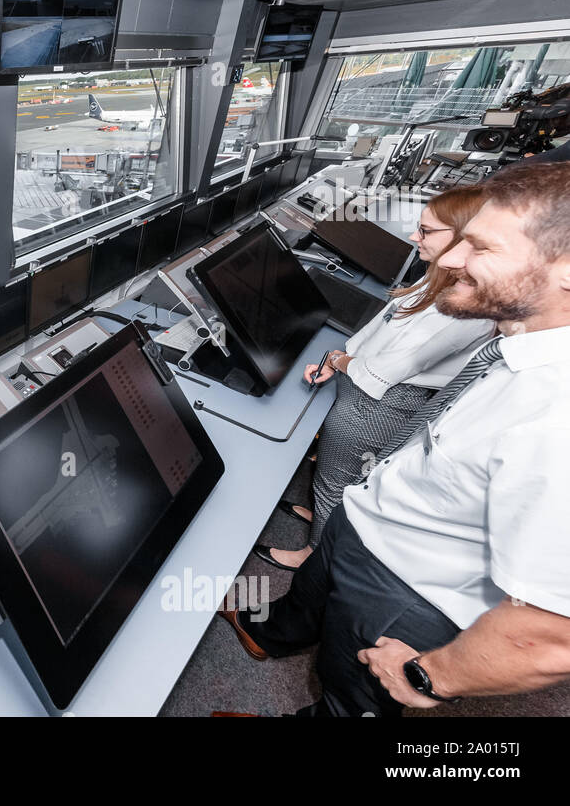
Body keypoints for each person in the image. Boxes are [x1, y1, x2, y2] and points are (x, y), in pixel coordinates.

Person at [220, 161, 570, 716]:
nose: (453, 259)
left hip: (403, 587)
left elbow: (550, 634)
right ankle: (272, 633)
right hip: (366, 517)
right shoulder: (517, 349)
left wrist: (434, 677)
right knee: (305, 602)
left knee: (350, 695)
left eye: (482, 248)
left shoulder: (558, 414)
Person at [254, 186, 495, 570]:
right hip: (360, 386)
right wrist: (339, 360)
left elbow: (387, 371)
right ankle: (320, 512)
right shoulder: (439, 279)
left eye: (427, 231)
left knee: (339, 484)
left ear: (468, 239)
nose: (416, 237)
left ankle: (313, 555)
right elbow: (382, 323)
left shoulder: (466, 308)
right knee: (331, 475)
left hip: (379, 406)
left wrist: (337, 358)